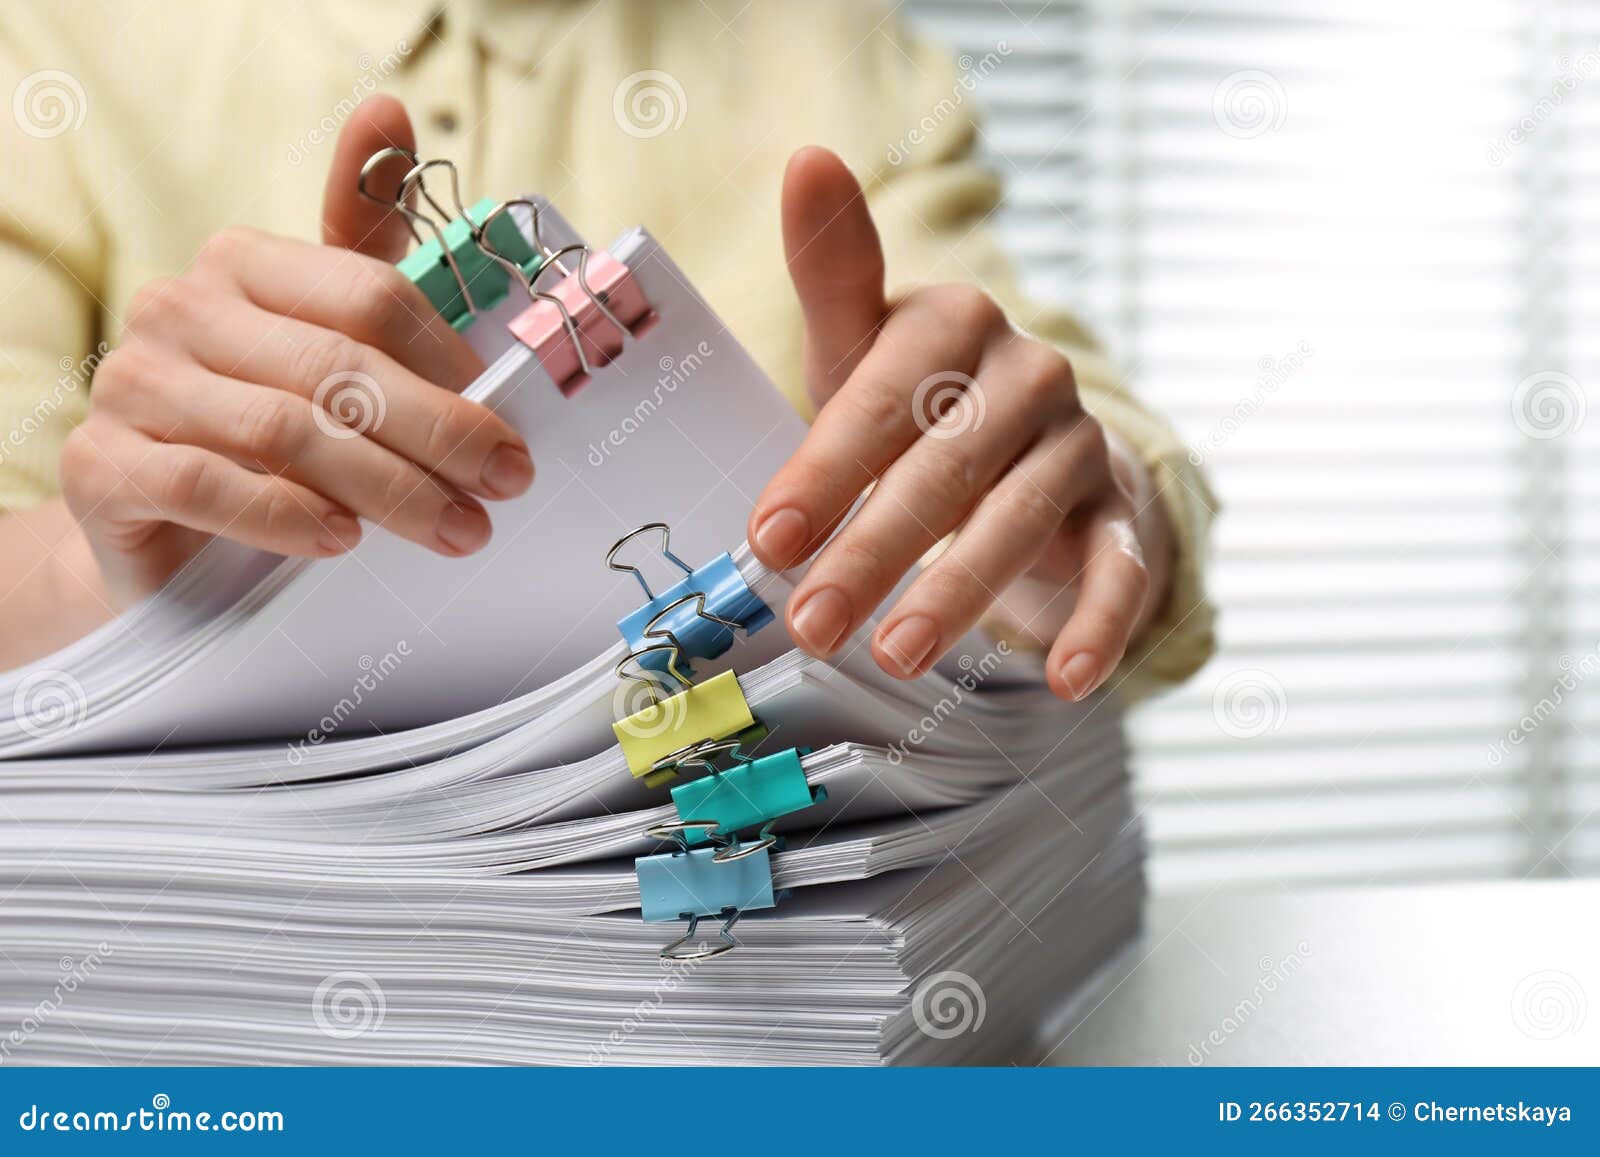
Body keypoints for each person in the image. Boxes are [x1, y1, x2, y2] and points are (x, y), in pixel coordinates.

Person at [0, 0, 1214, 702]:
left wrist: (1090, 517)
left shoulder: (818, 35)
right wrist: (100, 560)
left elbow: (1039, 394)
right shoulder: (53, 41)